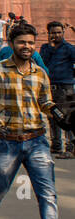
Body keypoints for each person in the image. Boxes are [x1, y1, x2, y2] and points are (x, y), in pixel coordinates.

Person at [0, 22, 71, 219]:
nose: (26, 47)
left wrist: (59, 114)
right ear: (12, 44)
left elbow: (45, 102)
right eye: (22, 42)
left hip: (36, 140)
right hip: (7, 141)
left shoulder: (40, 73)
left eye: (30, 42)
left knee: (47, 192)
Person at [40, 21, 75, 158]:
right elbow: (42, 63)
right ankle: (56, 146)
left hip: (65, 88)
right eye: (53, 33)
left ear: (63, 33)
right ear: (48, 34)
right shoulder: (45, 48)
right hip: (50, 87)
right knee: (53, 117)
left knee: (68, 118)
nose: (56, 35)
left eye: (58, 32)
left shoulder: (69, 48)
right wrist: (50, 46)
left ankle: (71, 148)